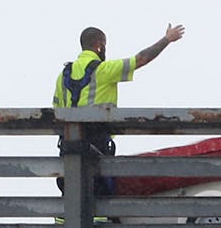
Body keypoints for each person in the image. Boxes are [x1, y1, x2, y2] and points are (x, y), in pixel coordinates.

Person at [52, 23, 185, 194]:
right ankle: (97, 220)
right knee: (97, 191)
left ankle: (64, 220)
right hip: (96, 142)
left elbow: (57, 109)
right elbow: (141, 59)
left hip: (68, 144)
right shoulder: (103, 70)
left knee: (69, 190)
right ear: (99, 45)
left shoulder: (62, 76)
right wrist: (167, 39)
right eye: (105, 45)